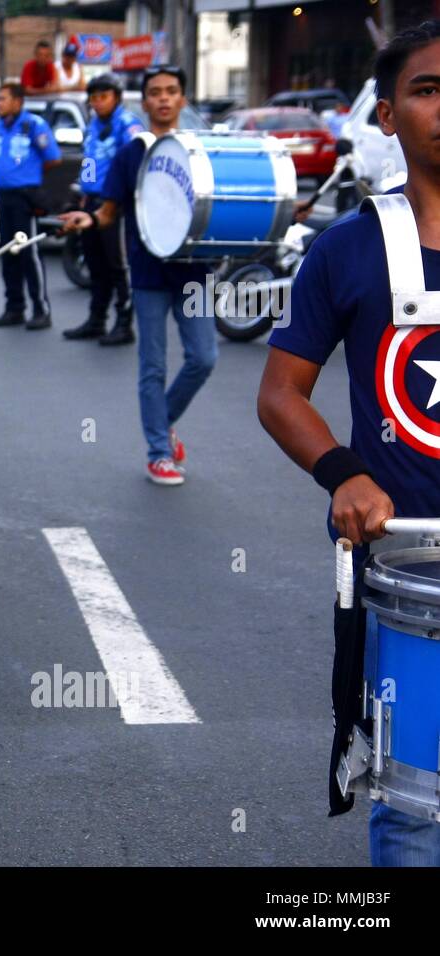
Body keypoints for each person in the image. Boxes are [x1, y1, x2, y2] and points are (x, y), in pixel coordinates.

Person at [257, 20, 440, 866]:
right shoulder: (346, 249)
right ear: (389, 116)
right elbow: (281, 393)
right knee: (413, 805)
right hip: (405, 575)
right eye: (427, 90)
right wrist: (345, 474)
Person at [59, 66, 213, 486]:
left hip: (196, 269)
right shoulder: (131, 154)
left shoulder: (201, 150)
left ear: (182, 99)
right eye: (155, 93)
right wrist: (86, 219)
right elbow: (109, 214)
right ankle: (159, 453)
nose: (163, 99)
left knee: (204, 358)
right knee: (152, 366)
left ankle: (163, 423)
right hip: (148, 271)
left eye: (171, 92)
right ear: (144, 103)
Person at [62, 73, 143, 345]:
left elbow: (134, 168)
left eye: (103, 97)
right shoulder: (93, 126)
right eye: (93, 98)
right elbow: (90, 163)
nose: (97, 103)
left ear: (116, 98)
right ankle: (96, 320)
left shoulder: (128, 126)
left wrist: (119, 199)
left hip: (116, 204)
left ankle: (124, 323)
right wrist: (85, 195)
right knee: (96, 264)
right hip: (93, 202)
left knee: (118, 266)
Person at [0, 82, 61, 330]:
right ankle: (14, 308)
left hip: (24, 197)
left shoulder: (33, 125)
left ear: (18, 101)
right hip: (2, 197)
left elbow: (53, 158)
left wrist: (27, 176)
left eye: (3, 99)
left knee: (29, 253)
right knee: (9, 252)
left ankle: (41, 309)